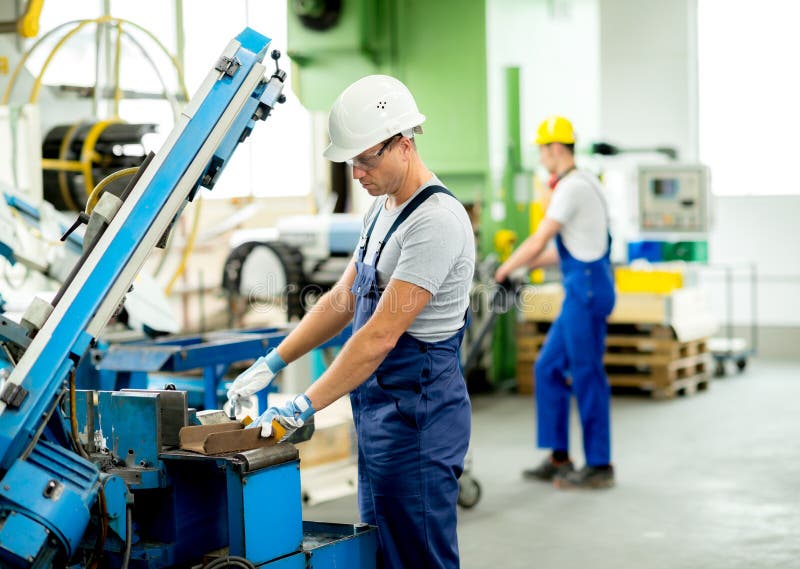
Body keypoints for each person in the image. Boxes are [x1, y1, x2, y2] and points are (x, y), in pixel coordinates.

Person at [227, 75, 475, 568]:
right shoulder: (381, 209)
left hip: (418, 421)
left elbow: (380, 336)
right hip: (380, 412)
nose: (357, 172)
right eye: (351, 161)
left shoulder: (436, 222)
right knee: (382, 551)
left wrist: (303, 404)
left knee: (420, 556)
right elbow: (342, 299)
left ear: (404, 144)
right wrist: (272, 362)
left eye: (366, 159)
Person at [494, 115, 616, 489]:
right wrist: (521, 265)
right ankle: (560, 457)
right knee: (547, 367)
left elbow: (540, 239)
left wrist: (505, 269)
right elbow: (562, 252)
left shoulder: (573, 188)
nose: (541, 156)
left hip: (588, 290)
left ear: (556, 148)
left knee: (586, 373)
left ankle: (599, 465)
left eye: (542, 149)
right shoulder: (582, 184)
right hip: (583, 286)